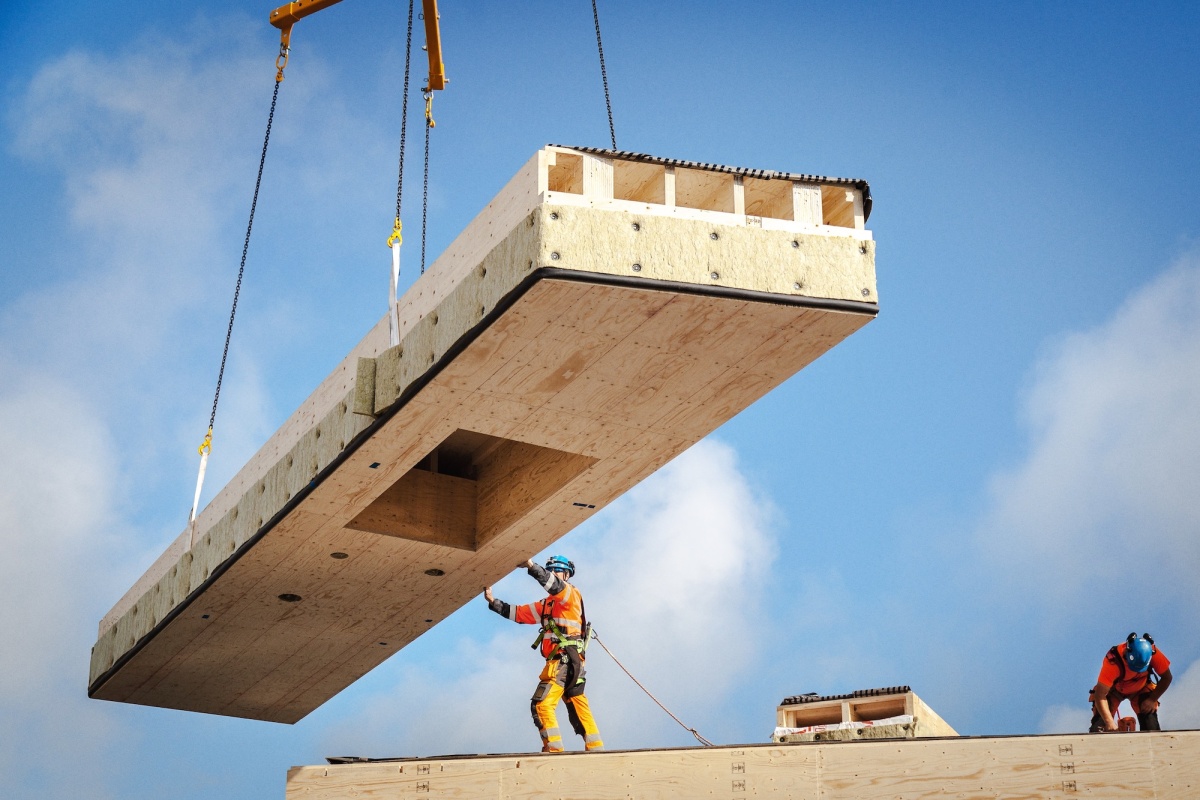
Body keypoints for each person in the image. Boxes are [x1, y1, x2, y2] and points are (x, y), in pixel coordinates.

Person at [484, 555, 604, 753]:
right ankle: (596, 749)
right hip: (572, 662)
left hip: (563, 661)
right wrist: (493, 602)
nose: (553, 574)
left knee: (541, 705)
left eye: (557, 571)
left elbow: (554, 584)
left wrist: (531, 566)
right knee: (576, 704)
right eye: (552, 570)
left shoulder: (570, 594)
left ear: (566, 574)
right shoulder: (548, 604)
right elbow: (519, 613)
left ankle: (553, 750)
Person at [1089, 632, 1172, 733]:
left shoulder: (1152, 652)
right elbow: (1100, 695)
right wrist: (1109, 722)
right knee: (1099, 727)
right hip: (1113, 690)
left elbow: (1167, 678)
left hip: (1140, 688)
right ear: (1127, 654)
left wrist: (1152, 699)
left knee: (1151, 725)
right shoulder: (1113, 662)